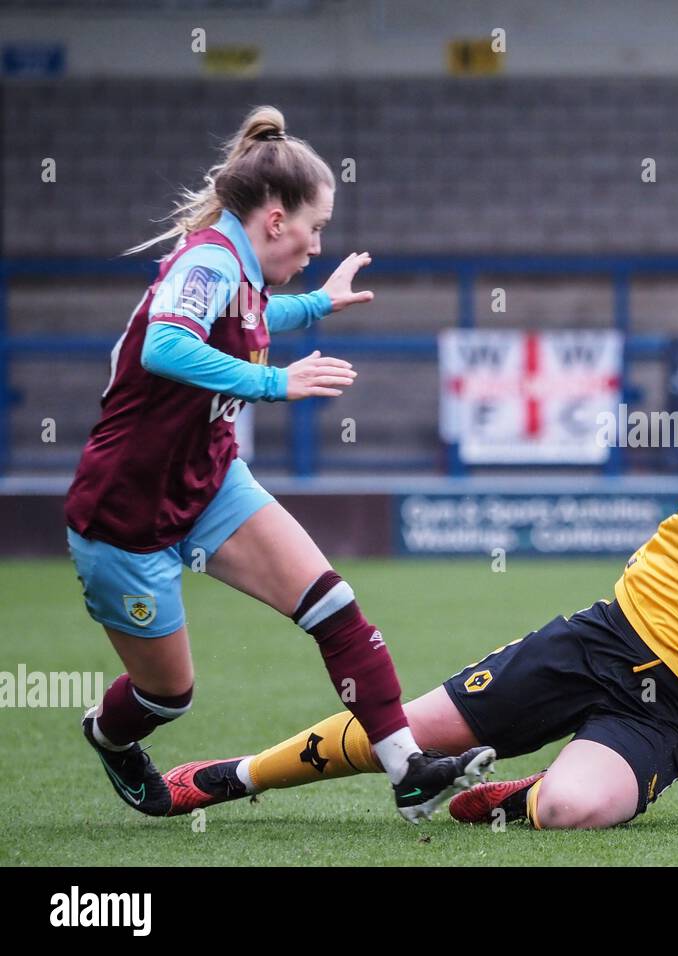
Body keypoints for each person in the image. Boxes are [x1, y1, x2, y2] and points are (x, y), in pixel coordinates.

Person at [161, 341, 678, 832]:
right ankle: (235, 777)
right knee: (396, 734)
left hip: (672, 714)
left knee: (577, 809)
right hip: (596, 641)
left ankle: (513, 800)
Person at [66, 105, 491, 823]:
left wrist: (321, 303)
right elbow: (162, 348)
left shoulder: (239, 268)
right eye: (315, 227)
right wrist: (275, 382)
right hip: (124, 514)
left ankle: (407, 769)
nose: (316, 242)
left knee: (332, 604)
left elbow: (257, 312)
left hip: (209, 484)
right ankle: (109, 736)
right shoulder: (207, 259)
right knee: (168, 696)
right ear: (273, 219)